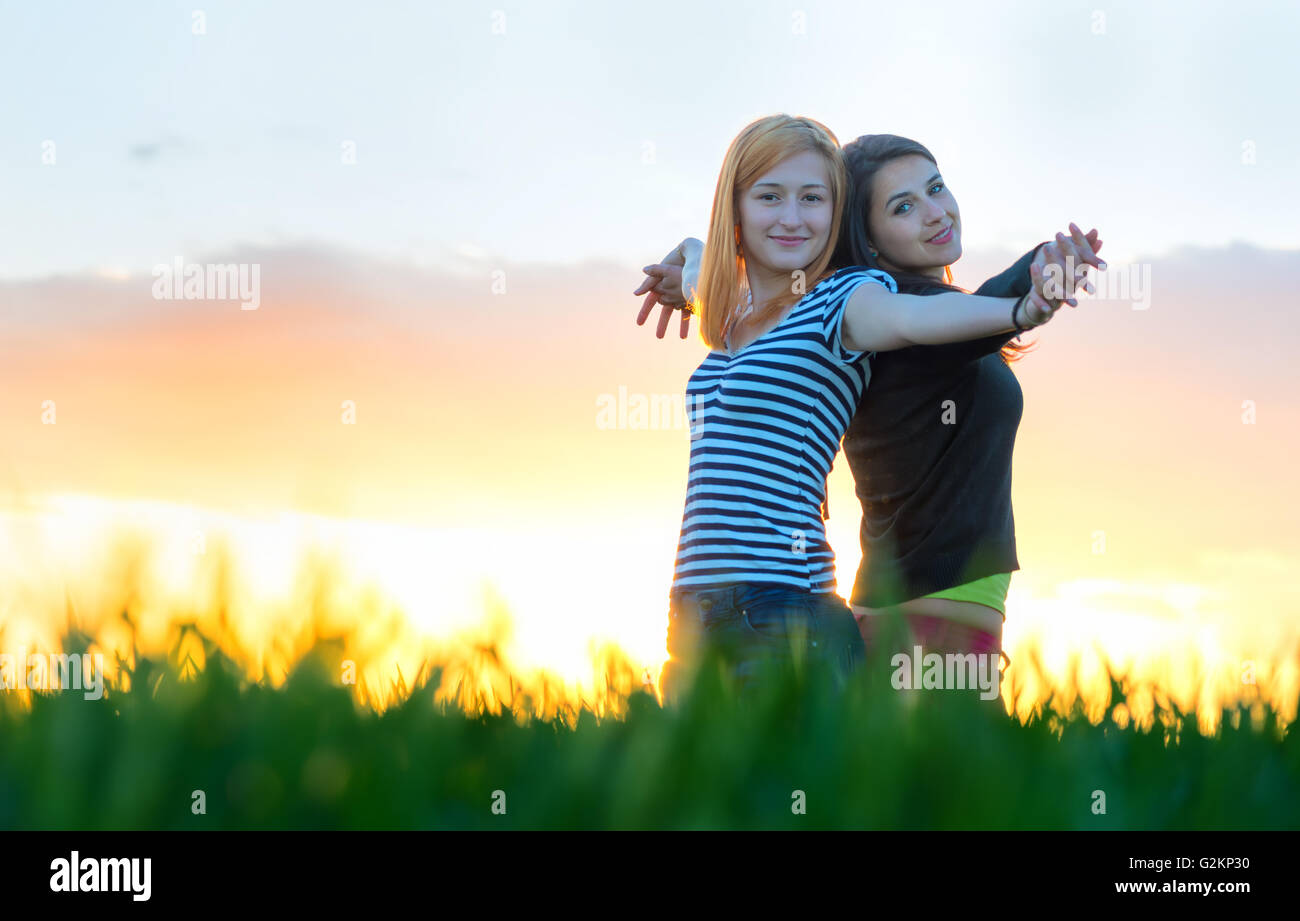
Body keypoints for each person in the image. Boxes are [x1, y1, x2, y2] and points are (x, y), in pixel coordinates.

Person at [637, 132, 1103, 704]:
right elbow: (714, 276)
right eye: (902, 206)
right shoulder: (753, 318)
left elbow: (919, 317)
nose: (933, 213)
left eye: (812, 198)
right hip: (707, 613)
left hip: (809, 609)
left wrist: (1025, 301)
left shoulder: (853, 303)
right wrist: (690, 262)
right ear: (867, 234)